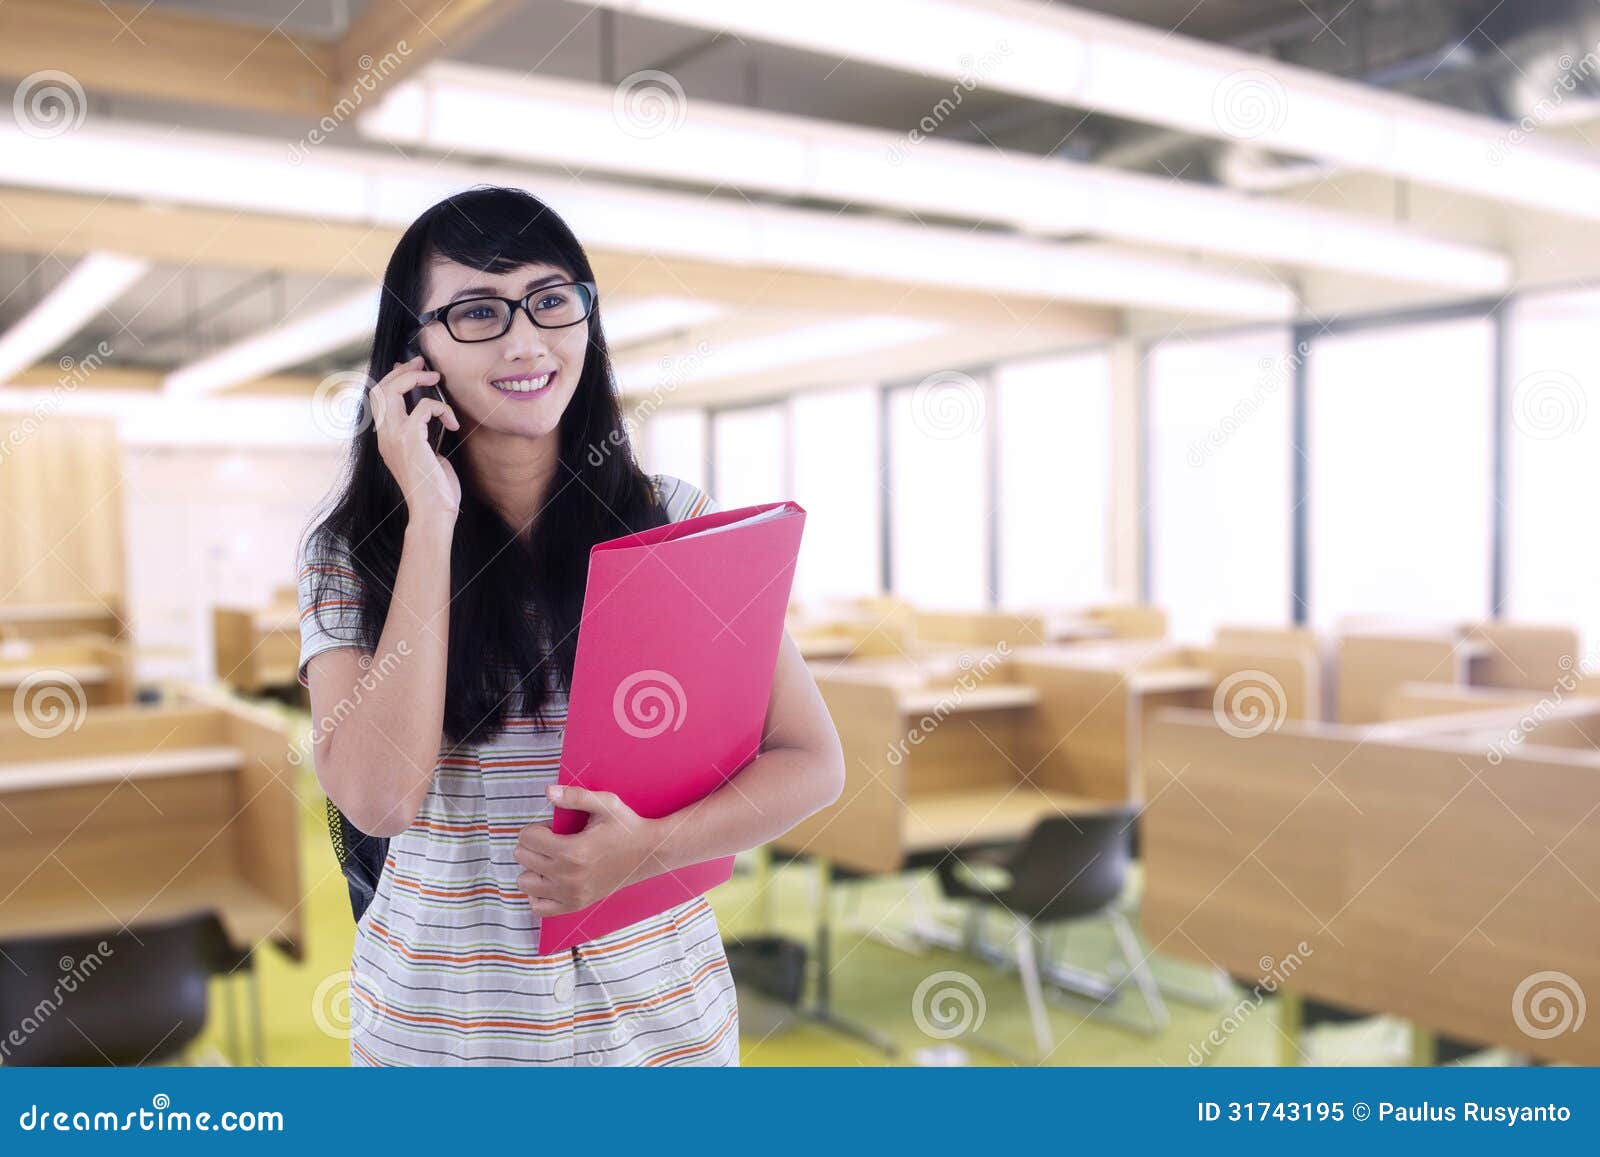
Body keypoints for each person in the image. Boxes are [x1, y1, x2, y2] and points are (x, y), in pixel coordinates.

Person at [295, 184, 845, 1066]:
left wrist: (648, 849)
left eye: (551, 301)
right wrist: (430, 521)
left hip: (660, 1032)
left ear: (587, 319)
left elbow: (812, 762)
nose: (525, 339)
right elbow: (379, 798)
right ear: (414, 355)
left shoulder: (672, 522)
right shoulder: (351, 553)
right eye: (477, 311)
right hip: (444, 1038)